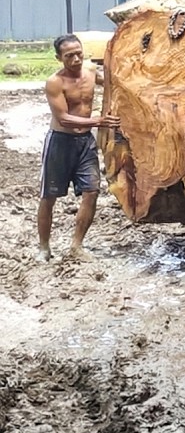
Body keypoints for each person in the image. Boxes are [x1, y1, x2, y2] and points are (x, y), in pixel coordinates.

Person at [38, 34, 119, 262]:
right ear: (59, 58)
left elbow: (113, 82)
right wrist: (99, 122)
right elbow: (63, 118)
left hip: (85, 142)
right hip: (60, 143)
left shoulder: (91, 72)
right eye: (69, 56)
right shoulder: (55, 82)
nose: (75, 59)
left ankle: (77, 245)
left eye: (78, 53)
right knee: (49, 196)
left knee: (92, 191)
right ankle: (44, 247)